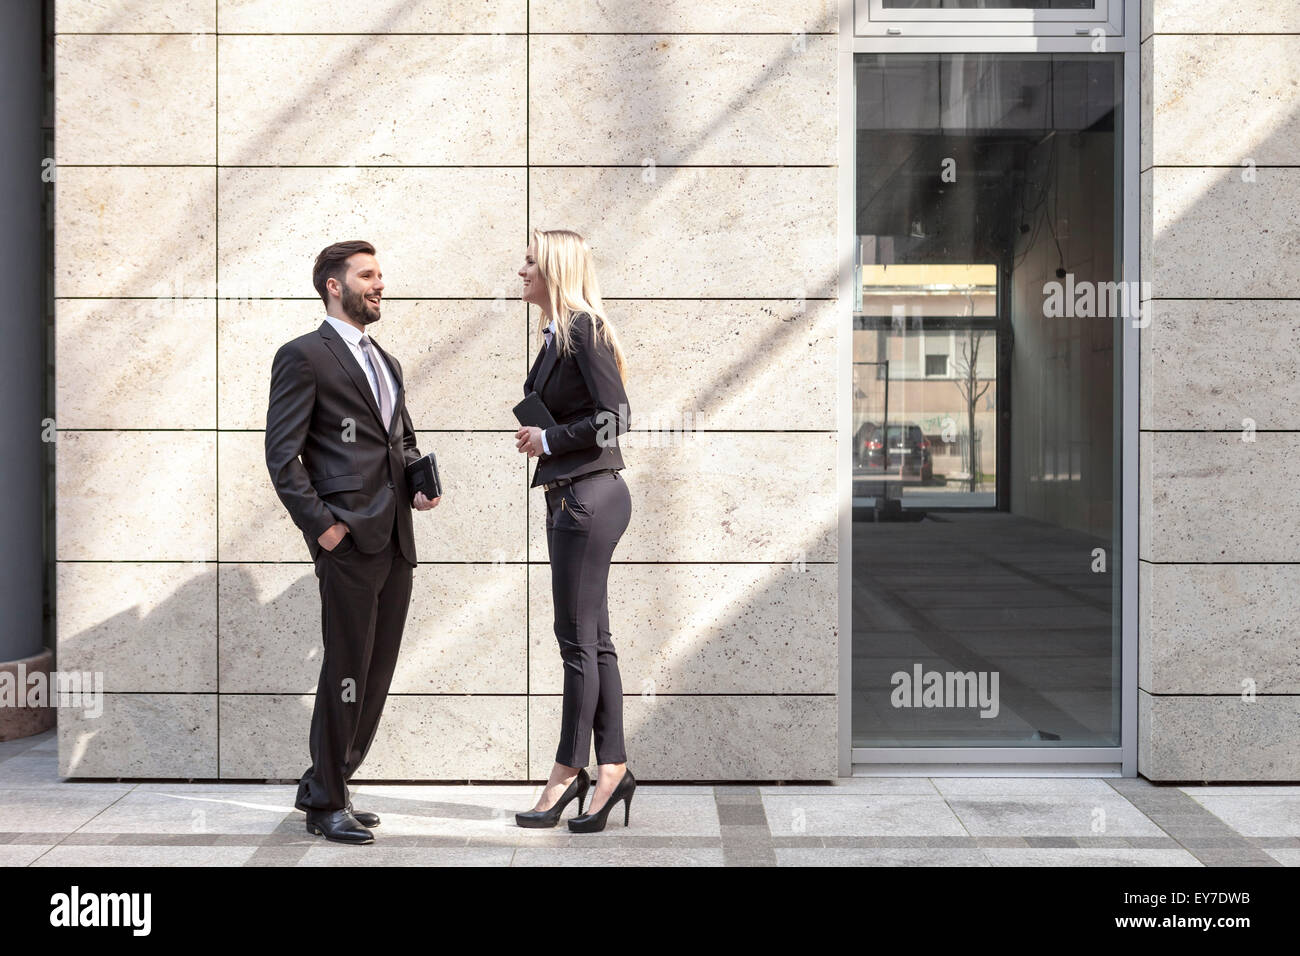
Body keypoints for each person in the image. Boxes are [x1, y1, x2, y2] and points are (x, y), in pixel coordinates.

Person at [265, 240, 439, 844]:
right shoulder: (303, 356)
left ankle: (328, 781)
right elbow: (282, 457)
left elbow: (401, 441)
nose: (379, 284)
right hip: (347, 540)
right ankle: (326, 803)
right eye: (367, 275)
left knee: (376, 669)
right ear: (333, 286)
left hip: (395, 538)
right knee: (346, 667)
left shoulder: (386, 362)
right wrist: (325, 528)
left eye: (380, 274)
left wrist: (419, 479)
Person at [513, 228, 637, 833]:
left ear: (555, 269)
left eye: (531, 262)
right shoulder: (559, 337)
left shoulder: (583, 329)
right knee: (595, 640)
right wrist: (545, 437)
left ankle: (568, 771)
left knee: (575, 643)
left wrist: (549, 439)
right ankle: (611, 767)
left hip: (588, 498)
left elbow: (617, 421)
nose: (521, 271)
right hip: (572, 497)